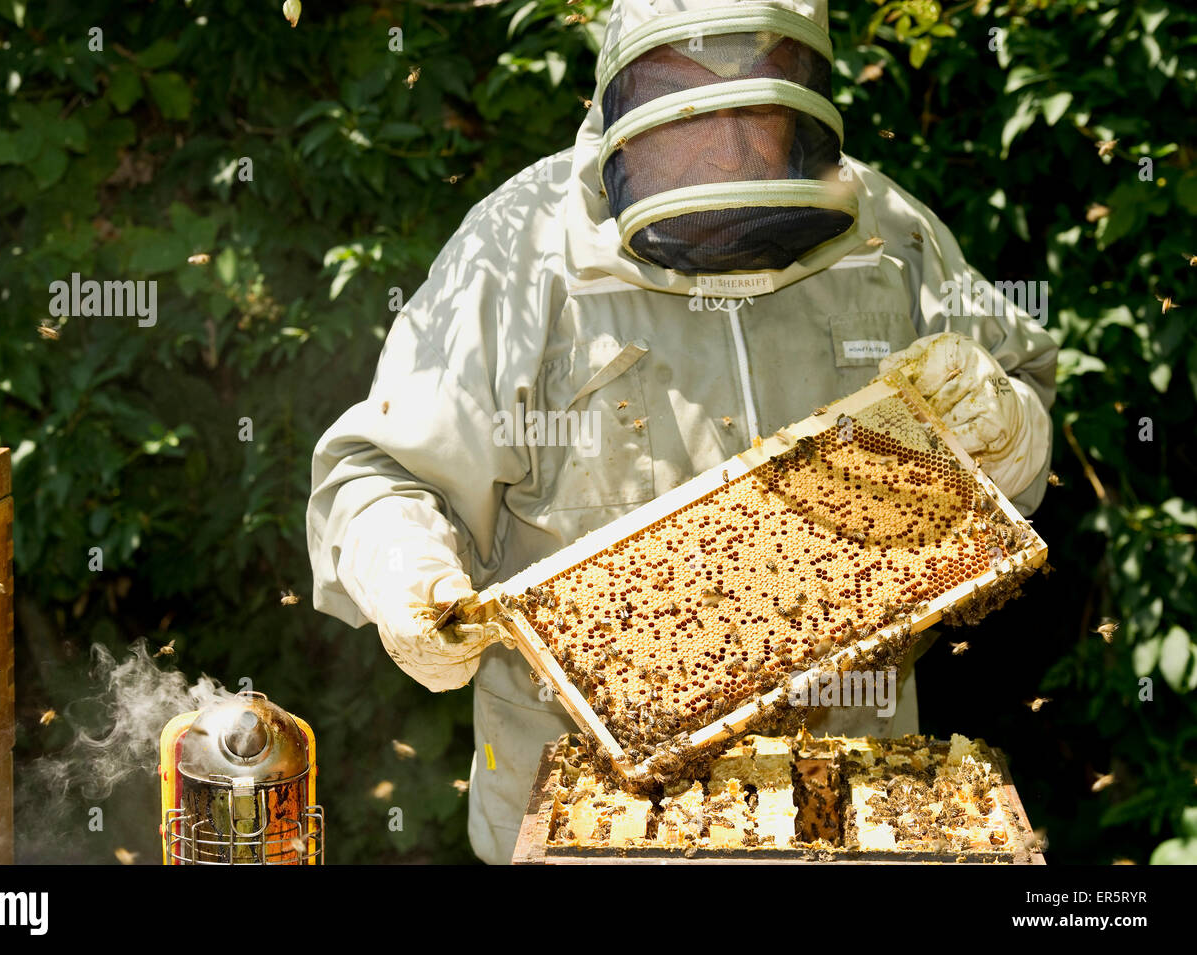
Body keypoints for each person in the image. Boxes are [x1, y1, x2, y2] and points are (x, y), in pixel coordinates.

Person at [306, 0, 1056, 865]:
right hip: (592, 813)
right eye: (687, 99)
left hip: (851, 801)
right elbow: (379, 474)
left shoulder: (890, 234)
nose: (722, 143)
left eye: (753, 105)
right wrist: (407, 570)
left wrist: (1004, 431)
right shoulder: (519, 252)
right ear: (625, 105)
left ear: (802, 91)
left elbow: (1022, 391)